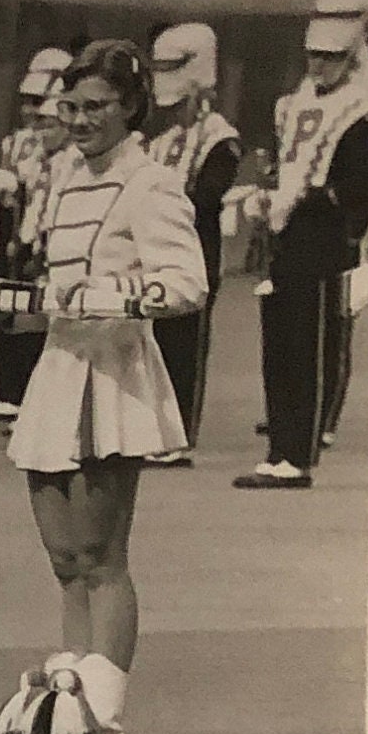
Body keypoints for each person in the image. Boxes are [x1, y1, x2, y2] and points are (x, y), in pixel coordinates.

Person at [0, 41, 210, 734]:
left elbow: (188, 284)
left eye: (95, 108)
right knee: (64, 557)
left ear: (130, 108)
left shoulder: (151, 183)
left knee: (104, 556)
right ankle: (68, 706)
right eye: (70, 107)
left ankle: (102, 716)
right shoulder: (61, 176)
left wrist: (103, 298)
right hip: (59, 370)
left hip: (114, 377)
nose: (78, 121)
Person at [234, 0, 368, 493]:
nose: (320, 65)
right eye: (315, 56)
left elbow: (362, 185)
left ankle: (297, 453)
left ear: (351, 59)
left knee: (310, 347)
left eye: (332, 57)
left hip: (322, 244)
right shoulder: (293, 105)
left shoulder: (360, 112)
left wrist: (316, 202)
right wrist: (267, 197)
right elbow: (285, 165)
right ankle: (280, 446)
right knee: (278, 347)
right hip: (287, 240)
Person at [138, 23, 245, 464]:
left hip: (197, 253)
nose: (174, 112)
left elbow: (206, 198)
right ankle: (153, 428)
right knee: (154, 345)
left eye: (181, 103)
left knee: (186, 346)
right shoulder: (160, 143)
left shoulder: (221, 139)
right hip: (155, 255)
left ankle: (179, 433)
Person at [0, 45, 72, 422]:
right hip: (18, 233)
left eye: (37, 102)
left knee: (39, 316)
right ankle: (10, 390)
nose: (29, 111)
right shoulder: (19, 141)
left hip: (47, 236)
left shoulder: (69, 147)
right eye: (27, 102)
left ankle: (34, 395)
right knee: (10, 307)